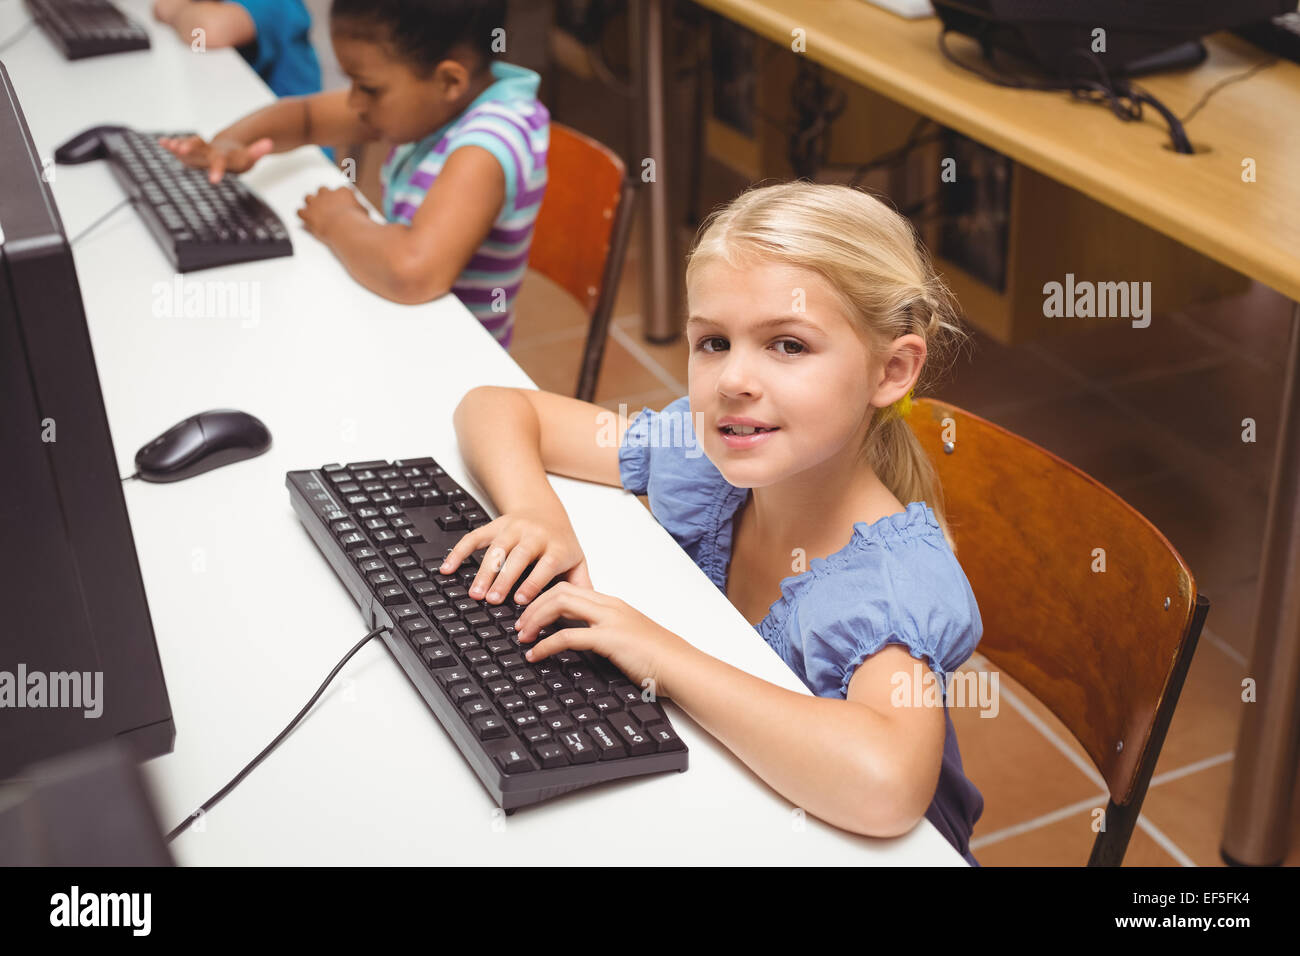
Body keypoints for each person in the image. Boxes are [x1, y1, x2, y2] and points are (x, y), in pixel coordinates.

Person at [442, 181, 986, 864]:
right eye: (714, 342)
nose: (734, 380)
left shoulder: (889, 582)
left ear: (892, 370)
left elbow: (886, 787)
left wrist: (662, 656)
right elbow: (493, 407)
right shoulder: (705, 453)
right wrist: (534, 511)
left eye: (787, 345)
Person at [158, 0, 546, 350]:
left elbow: (411, 271)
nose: (355, 103)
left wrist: (338, 220)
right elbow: (306, 118)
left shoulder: (490, 141)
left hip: (451, 359)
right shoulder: (433, 101)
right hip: (401, 326)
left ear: (449, 81)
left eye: (369, 88)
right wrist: (228, 144)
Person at [153, 0, 322, 98]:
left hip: (298, 144)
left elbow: (206, 32)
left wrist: (177, 11)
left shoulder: (277, 3)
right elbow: (162, 6)